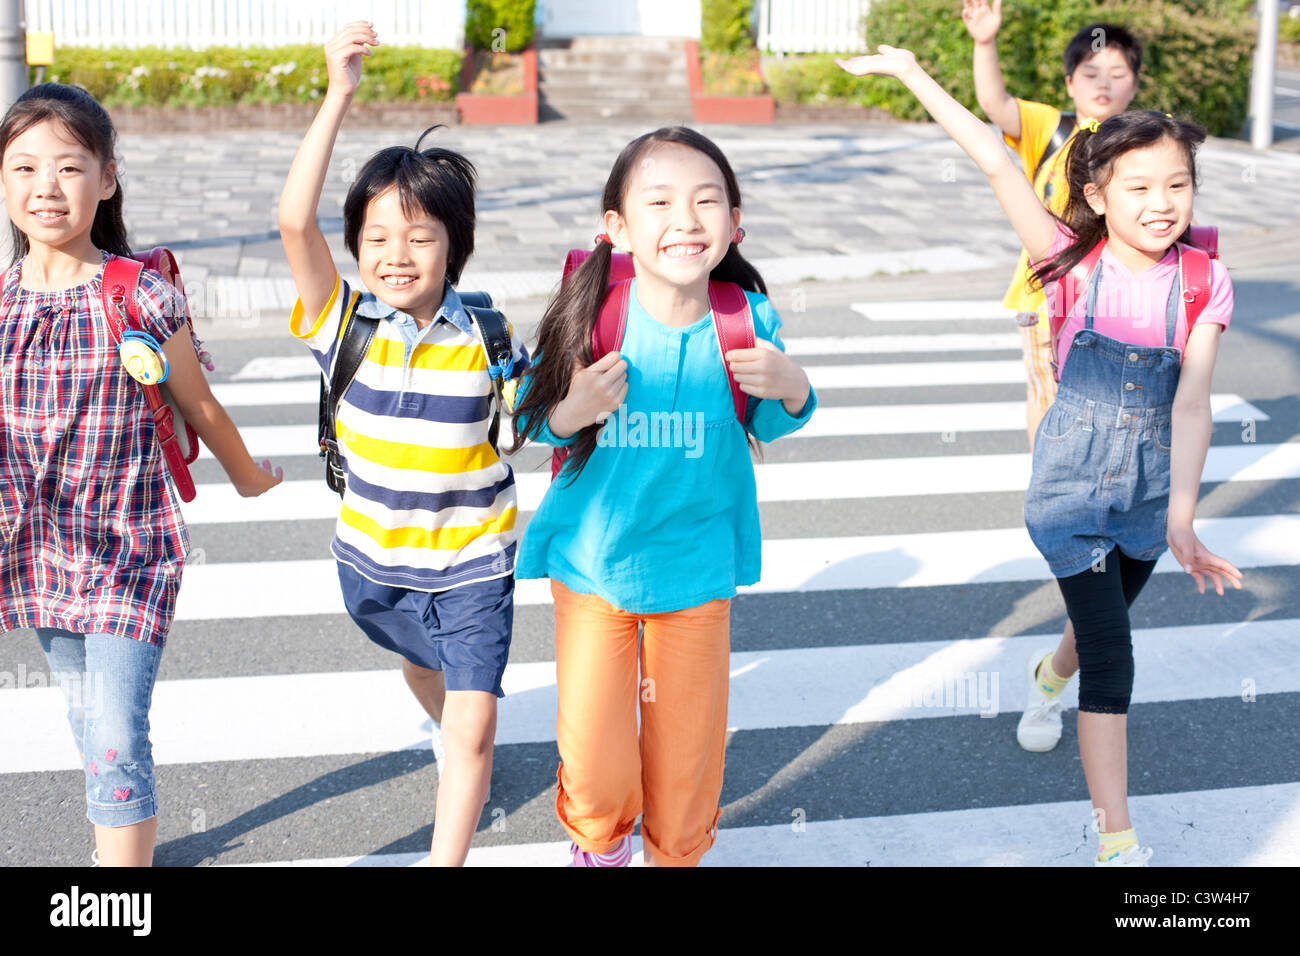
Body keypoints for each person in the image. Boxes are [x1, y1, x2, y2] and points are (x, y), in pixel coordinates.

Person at [837, 46, 1242, 866]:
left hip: (1148, 486)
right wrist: (912, 72)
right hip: (1068, 489)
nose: (1161, 204)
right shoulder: (1067, 260)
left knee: (1103, 623)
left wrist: (1183, 517)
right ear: (1096, 195)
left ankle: (1045, 680)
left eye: (1177, 185)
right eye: (1139, 187)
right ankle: (1118, 843)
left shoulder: (1204, 281)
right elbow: (993, 158)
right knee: (1114, 655)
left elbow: (1193, 403)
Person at [510, 126, 817, 867]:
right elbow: (527, 421)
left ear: (734, 222)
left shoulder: (745, 317)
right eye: (660, 202)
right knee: (595, 759)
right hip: (593, 567)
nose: (686, 218)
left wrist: (795, 389)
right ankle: (601, 844)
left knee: (686, 762)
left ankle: (675, 854)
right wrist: (572, 408)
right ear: (617, 227)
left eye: (707, 200)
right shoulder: (590, 318)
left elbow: (774, 413)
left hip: (697, 570)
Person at [0, 83, 282, 866]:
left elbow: (198, 404)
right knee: (88, 718)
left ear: (107, 179)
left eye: (67, 167)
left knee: (118, 733)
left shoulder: (141, 294)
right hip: (38, 549)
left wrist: (249, 475)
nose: (45, 188)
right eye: (23, 169)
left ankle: (118, 889)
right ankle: (117, 839)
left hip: (129, 550)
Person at [278, 22, 529, 867]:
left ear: (453, 246)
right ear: (354, 244)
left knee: (475, 724)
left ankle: (448, 842)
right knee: (424, 674)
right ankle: (448, 722)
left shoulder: (488, 335)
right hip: (372, 565)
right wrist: (338, 92)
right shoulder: (339, 321)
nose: (397, 255)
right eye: (378, 238)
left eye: (420, 238)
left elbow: (540, 415)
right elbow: (289, 220)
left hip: (473, 562)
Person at [962, 1, 1142, 445]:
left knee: (1113, 402)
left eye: (1117, 74)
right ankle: (1051, 490)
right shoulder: (1050, 128)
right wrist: (984, 42)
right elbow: (993, 102)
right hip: (1045, 296)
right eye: (1090, 72)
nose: (1103, 83)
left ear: (1135, 86)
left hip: (1119, 296)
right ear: (1069, 82)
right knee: (1047, 397)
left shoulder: (1143, 142)